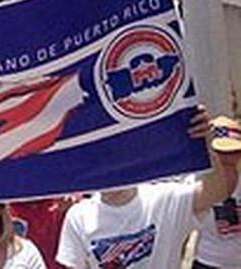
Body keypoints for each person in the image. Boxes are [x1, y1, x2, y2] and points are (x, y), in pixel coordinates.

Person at [56, 107, 240, 269]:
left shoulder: (166, 199)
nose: (108, 171)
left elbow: (217, 192)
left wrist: (207, 146)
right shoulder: (78, 216)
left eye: (115, 159)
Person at [192, 114, 241, 269]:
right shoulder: (196, 184)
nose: (227, 158)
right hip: (208, 262)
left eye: (233, 152)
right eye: (220, 151)